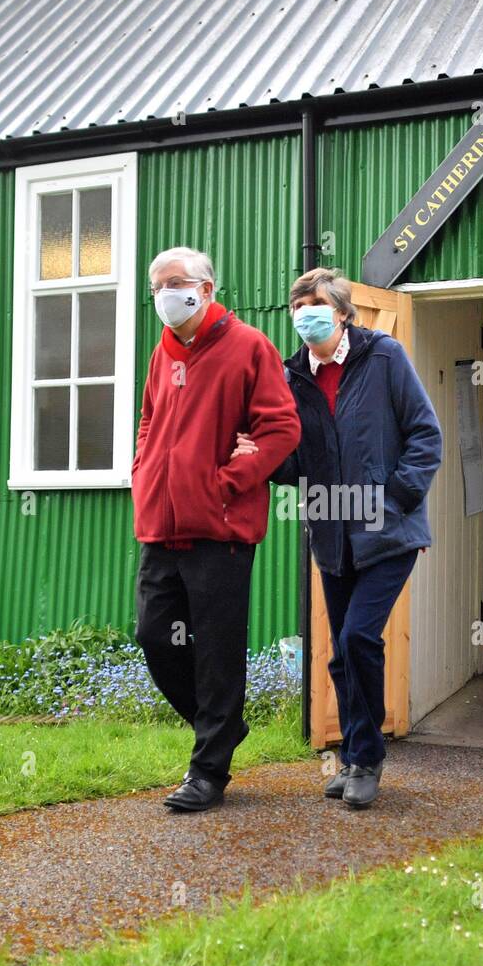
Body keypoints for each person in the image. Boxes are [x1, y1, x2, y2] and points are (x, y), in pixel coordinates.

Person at [241, 267, 441, 809]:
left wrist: (397, 498)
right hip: (331, 532)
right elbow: (295, 461)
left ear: (344, 313)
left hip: (388, 532)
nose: (306, 315)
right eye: (297, 306)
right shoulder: (290, 378)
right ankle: (354, 755)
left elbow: (426, 434)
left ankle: (367, 758)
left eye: (316, 305)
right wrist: (256, 456)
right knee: (338, 654)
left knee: (356, 638)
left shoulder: (384, 357)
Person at [132, 247, 301, 813]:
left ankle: (208, 772)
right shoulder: (163, 353)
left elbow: (280, 429)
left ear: (205, 289)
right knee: (156, 637)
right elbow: (150, 420)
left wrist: (230, 481)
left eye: (173, 283)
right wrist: (144, 473)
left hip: (221, 530)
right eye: (155, 286)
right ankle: (223, 728)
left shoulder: (250, 347)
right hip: (161, 524)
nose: (162, 294)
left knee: (217, 651)